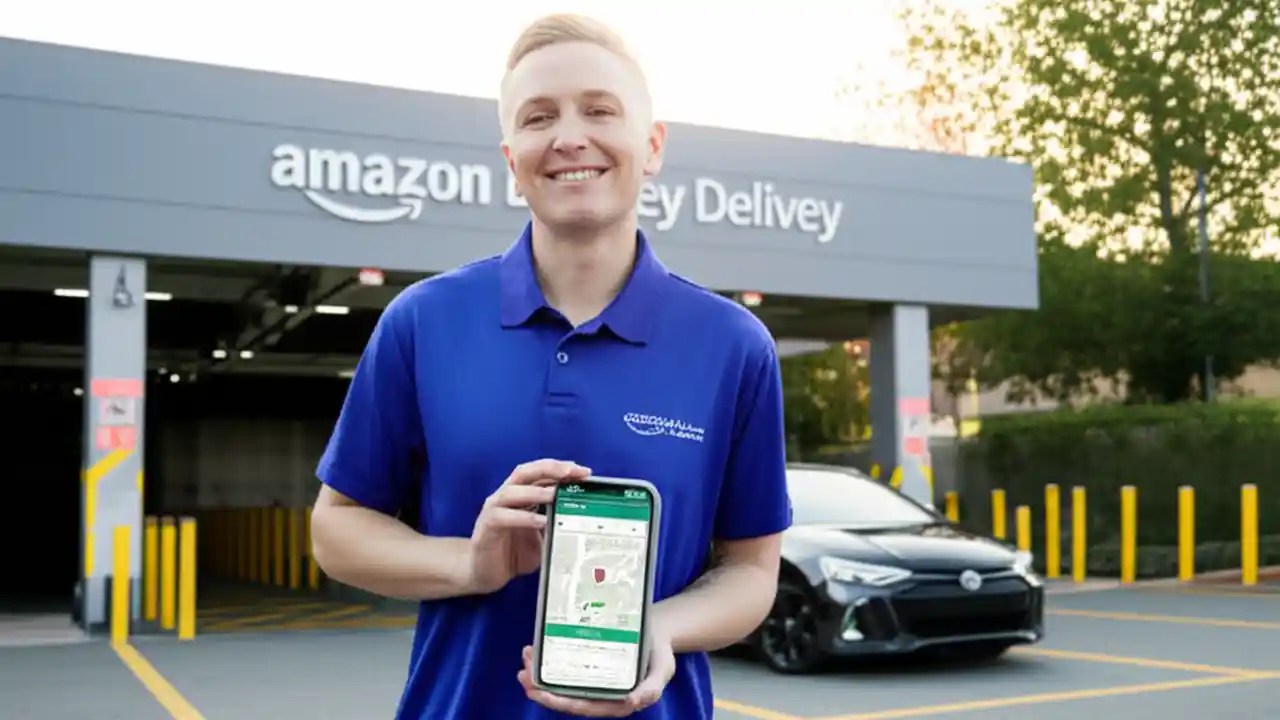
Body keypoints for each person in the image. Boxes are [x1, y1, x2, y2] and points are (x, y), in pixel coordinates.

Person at [309, 12, 791, 720]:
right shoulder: (423, 321)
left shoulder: (734, 345)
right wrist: (469, 563)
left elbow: (751, 571)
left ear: (652, 147)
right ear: (513, 162)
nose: (569, 137)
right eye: (539, 117)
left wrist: (658, 629)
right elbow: (336, 529)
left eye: (600, 110)